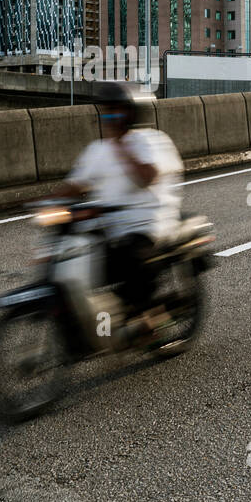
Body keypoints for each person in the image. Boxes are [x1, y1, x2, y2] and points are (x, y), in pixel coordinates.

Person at [60, 83, 184, 338]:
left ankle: (150, 318)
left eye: (116, 113)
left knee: (133, 259)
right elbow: (74, 185)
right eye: (106, 113)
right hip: (111, 228)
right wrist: (43, 203)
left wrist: (122, 148)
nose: (110, 119)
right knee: (78, 260)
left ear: (131, 114)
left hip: (147, 224)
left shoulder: (152, 141)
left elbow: (147, 178)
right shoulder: (97, 150)